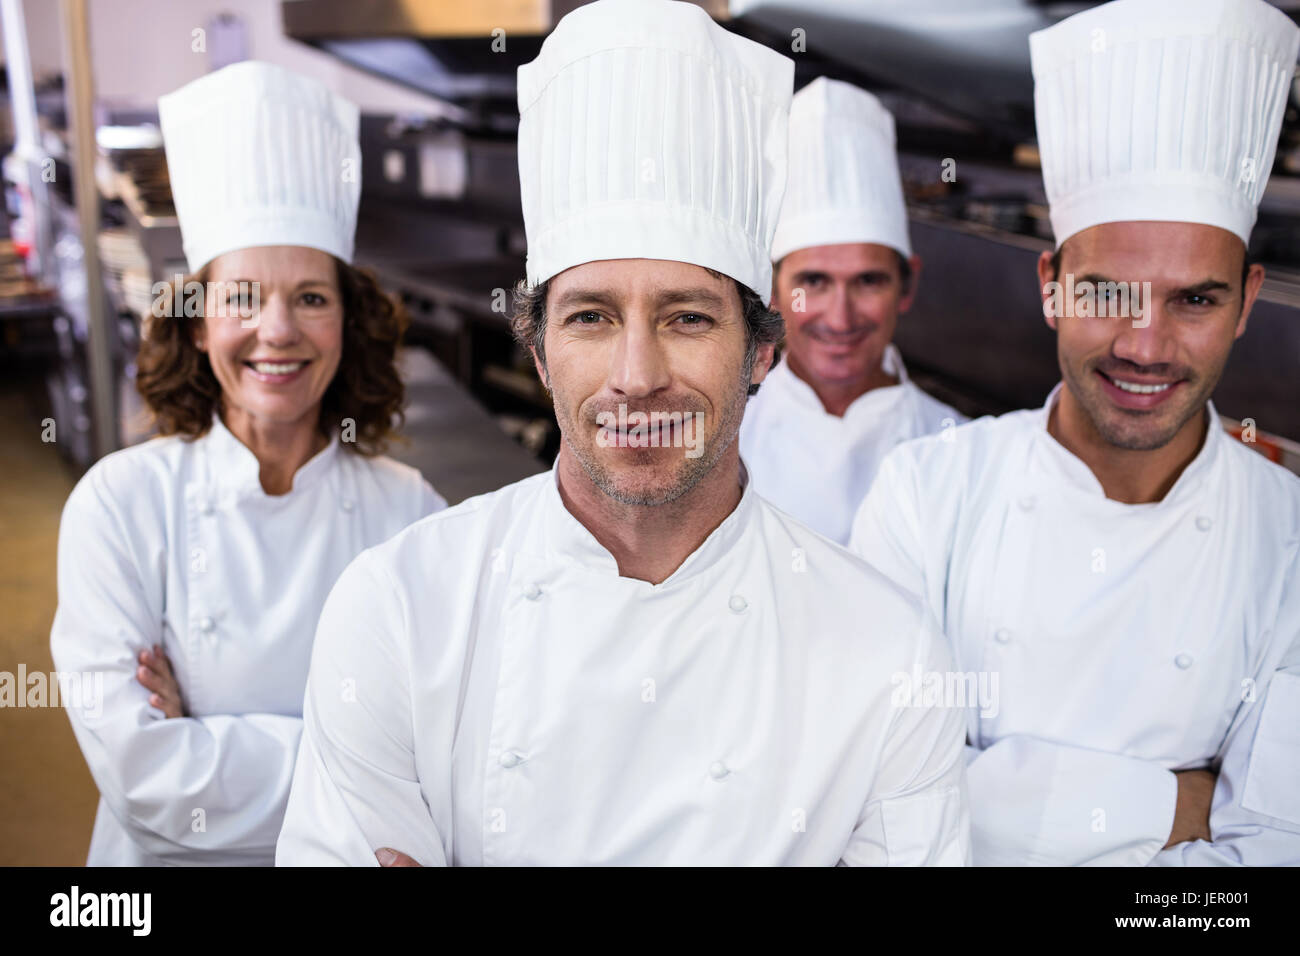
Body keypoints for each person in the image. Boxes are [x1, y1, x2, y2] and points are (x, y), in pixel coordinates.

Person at [276, 0, 969, 867]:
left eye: (685, 318)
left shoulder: (890, 657)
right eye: (592, 317)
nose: (636, 376)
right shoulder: (398, 611)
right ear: (537, 350)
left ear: (759, 352)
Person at [850, 0, 1300, 865]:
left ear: (1247, 302)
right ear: (1052, 283)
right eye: (1106, 293)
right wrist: (1182, 800)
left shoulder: (1290, 544)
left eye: (1194, 300)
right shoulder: (926, 495)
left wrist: (987, 786)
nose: (1144, 345)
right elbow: (875, 807)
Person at [50, 61, 446, 866]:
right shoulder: (119, 507)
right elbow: (145, 779)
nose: (277, 331)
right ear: (198, 325)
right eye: (240, 298)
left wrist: (208, 734)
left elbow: (449, 760)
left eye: (310, 296)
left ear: (347, 321)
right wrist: (361, 762)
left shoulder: (412, 515)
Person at [739, 77, 964, 545]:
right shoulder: (723, 442)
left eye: (867, 281)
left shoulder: (960, 448)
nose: (840, 319)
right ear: (773, 289)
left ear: (908, 284)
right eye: (814, 282)